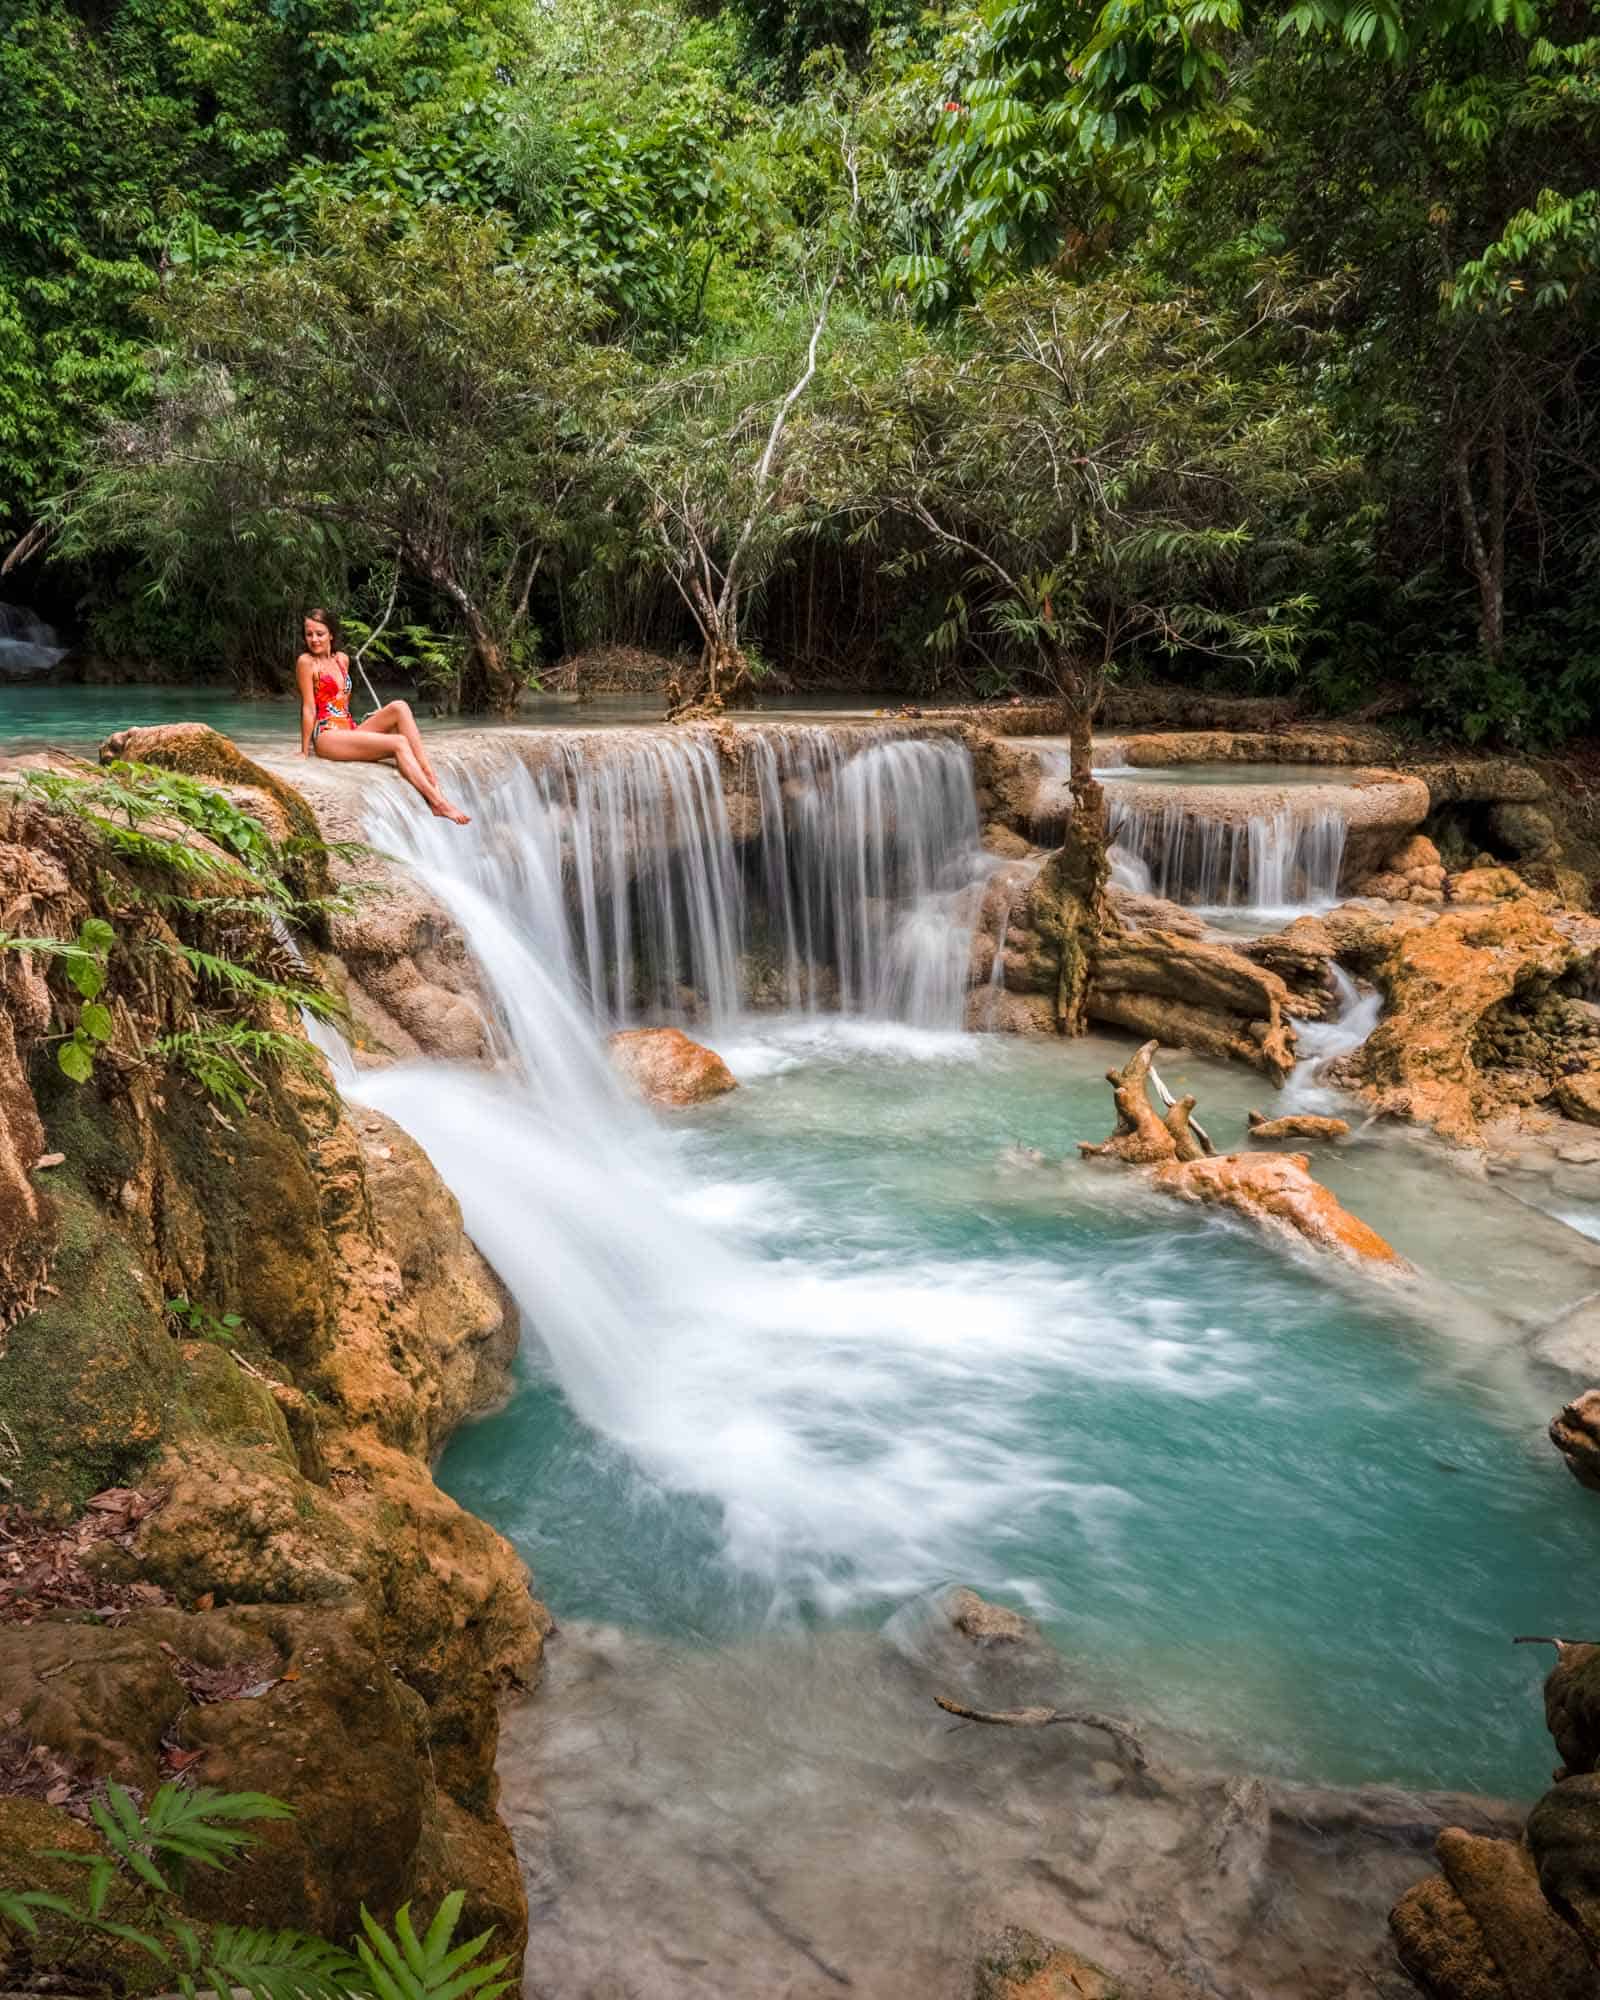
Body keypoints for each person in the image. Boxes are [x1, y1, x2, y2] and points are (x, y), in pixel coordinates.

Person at [295, 608, 470, 824]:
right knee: (398, 742)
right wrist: (304, 750)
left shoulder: (342, 659)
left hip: (349, 729)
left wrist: (365, 727)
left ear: (331, 634)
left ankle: (427, 771)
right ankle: (438, 802)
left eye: (319, 633)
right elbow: (309, 708)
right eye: (309, 634)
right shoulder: (306, 662)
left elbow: (342, 702)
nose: (313, 639)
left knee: (400, 706)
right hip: (327, 735)